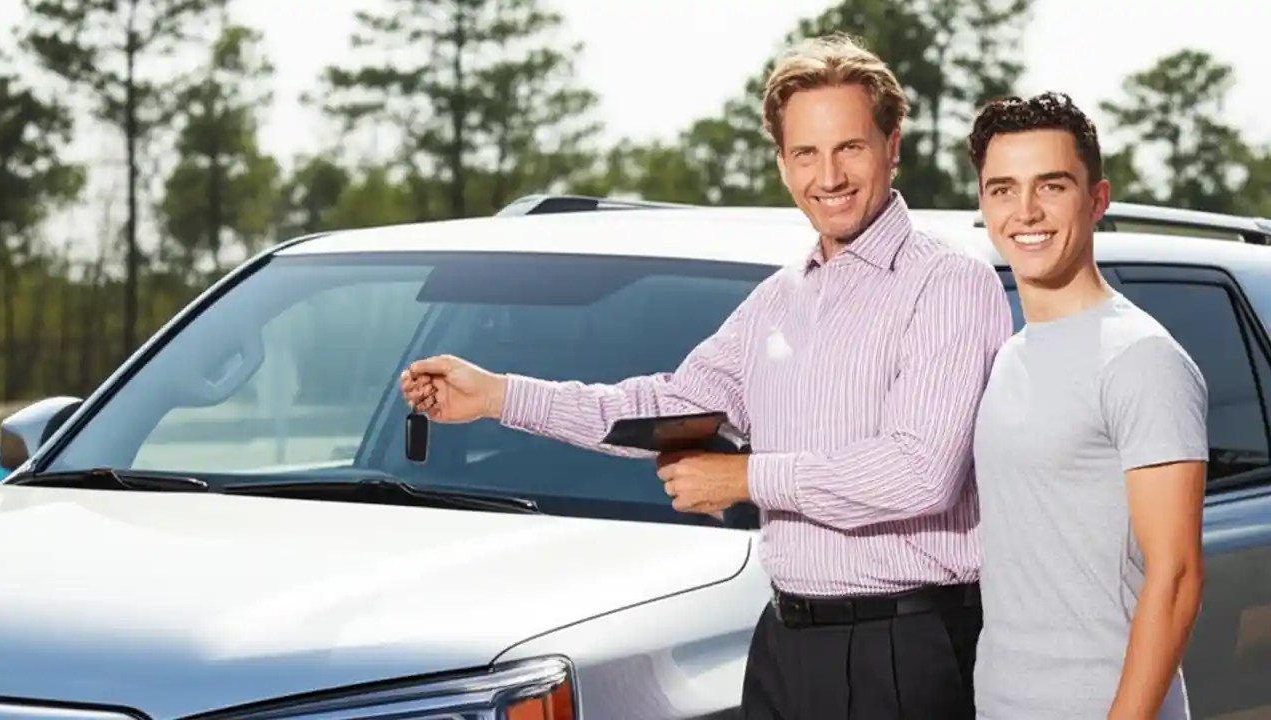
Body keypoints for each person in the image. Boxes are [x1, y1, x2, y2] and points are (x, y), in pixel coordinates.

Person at [401, 34, 1011, 719]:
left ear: (892, 145)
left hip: (904, 647)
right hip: (785, 642)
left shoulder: (950, 284)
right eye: (806, 153)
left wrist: (745, 477)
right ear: (782, 164)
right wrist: (499, 396)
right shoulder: (778, 302)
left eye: (850, 148)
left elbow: (919, 471)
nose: (828, 176)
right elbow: (664, 405)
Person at [967, 92, 1207, 720]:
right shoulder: (1008, 355)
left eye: (1051, 185)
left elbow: (1177, 577)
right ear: (984, 205)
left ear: (1096, 199)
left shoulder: (1141, 358)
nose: (1026, 211)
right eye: (1003, 189)